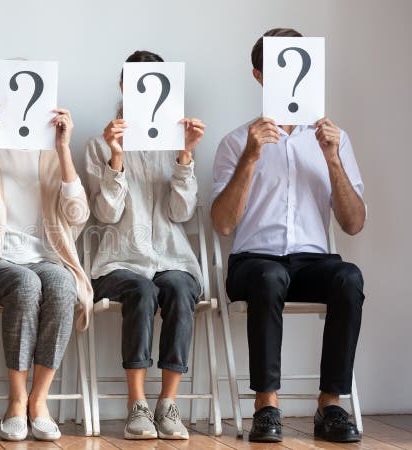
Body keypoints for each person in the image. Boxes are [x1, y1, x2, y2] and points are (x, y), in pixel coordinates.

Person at [211, 28, 365, 443]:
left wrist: (333, 159)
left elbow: (353, 223)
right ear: (259, 76)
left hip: (312, 261)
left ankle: (330, 405)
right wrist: (250, 156)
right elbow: (223, 224)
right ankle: (266, 406)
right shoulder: (235, 142)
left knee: (349, 277)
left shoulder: (333, 140)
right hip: (253, 262)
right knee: (269, 276)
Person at [0, 78, 92, 442]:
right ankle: (16, 401)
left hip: (45, 256)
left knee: (62, 284)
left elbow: (78, 215)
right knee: (26, 284)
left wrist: (63, 149)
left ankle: (38, 400)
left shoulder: (53, 156)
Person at [84, 50, 206, 440]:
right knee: (141, 288)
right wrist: (116, 158)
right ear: (125, 86)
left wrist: (184, 156)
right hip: (119, 263)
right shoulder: (99, 145)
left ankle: (168, 403)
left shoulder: (174, 145)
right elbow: (105, 213)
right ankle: (136, 403)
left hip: (172, 259)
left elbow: (181, 212)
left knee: (181, 287)